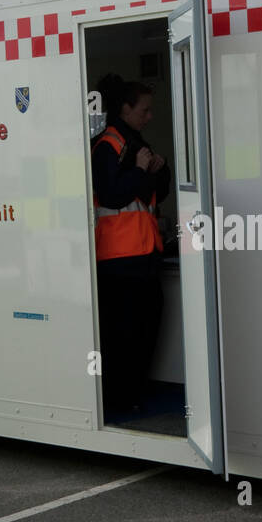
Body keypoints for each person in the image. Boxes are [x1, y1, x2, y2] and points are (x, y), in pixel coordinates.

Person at [91, 76, 171, 419]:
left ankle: (131, 394)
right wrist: (141, 170)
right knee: (123, 334)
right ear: (125, 109)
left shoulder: (131, 142)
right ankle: (120, 399)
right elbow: (113, 194)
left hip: (140, 255)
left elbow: (150, 194)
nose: (150, 116)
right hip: (118, 259)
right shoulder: (109, 145)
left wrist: (158, 170)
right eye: (145, 109)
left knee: (142, 328)